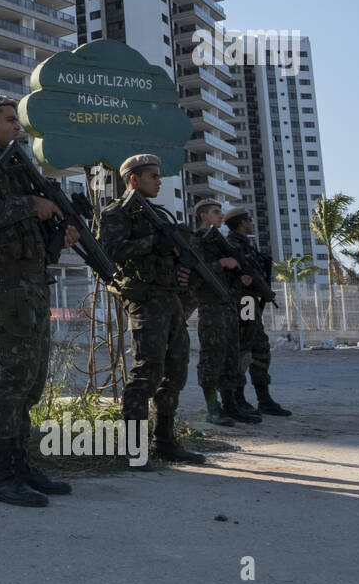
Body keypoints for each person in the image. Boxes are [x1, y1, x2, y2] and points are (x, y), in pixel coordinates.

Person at [0, 95, 78, 507]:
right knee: (14, 378)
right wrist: (35, 205)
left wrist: (60, 232)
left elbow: (34, 236)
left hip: (31, 280)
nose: (16, 126)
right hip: (5, 282)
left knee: (33, 379)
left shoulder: (16, 168)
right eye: (8, 120)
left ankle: (20, 465)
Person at [95, 154, 205, 465]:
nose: (158, 181)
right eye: (152, 176)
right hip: (144, 300)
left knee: (175, 372)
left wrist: (183, 269)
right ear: (133, 179)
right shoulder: (117, 213)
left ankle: (165, 441)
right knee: (146, 373)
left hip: (170, 299)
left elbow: (178, 254)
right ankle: (134, 449)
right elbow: (111, 251)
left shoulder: (160, 216)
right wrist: (151, 243)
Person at [191, 198, 259, 425]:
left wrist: (242, 279)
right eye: (215, 212)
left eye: (220, 212)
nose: (221, 216)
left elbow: (228, 277)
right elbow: (195, 272)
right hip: (210, 306)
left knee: (231, 357)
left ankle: (231, 404)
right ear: (203, 216)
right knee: (212, 357)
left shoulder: (219, 241)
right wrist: (222, 263)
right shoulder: (196, 240)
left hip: (229, 306)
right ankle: (213, 408)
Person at [225, 208, 291, 416]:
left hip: (251, 301)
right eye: (248, 220)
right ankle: (239, 397)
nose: (251, 223)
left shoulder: (245, 244)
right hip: (243, 301)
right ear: (242, 222)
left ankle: (264, 398)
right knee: (244, 348)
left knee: (260, 348)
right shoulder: (232, 245)